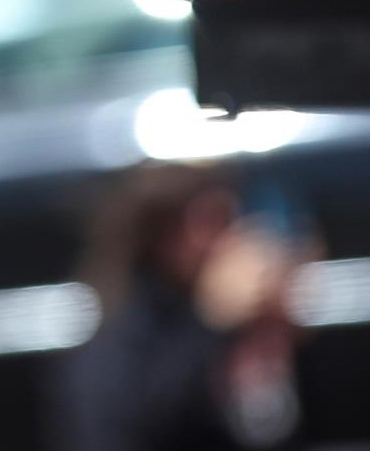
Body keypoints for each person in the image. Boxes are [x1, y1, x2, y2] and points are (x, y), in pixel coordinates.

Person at [46, 162, 313, 451]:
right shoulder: (117, 337)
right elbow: (156, 420)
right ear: (165, 233)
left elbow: (269, 426)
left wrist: (276, 334)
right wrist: (213, 322)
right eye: (212, 220)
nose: (228, 239)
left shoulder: (229, 315)